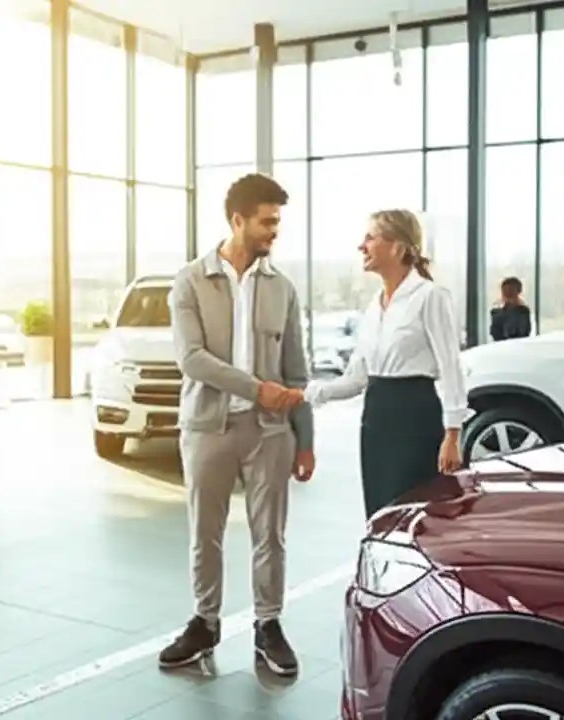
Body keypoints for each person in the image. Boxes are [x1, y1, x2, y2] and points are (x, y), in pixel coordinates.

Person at [159, 173, 315, 677]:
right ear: (237, 220)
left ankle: (269, 625)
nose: (275, 231)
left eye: (277, 221)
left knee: (271, 533)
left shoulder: (282, 288)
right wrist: (255, 388)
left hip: (271, 432)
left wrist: (305, 438)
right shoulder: (189, 282)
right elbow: (193, 360)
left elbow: (297, 371)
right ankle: (205, 623)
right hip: (208, 428)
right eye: (267, 221)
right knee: (205, 533)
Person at [304, 209, 469, 517]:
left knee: (416, 513)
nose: (361, 246)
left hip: (415, 417)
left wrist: (452, 434)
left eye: (370, 237)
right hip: (376, 419)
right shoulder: (373, 308)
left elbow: (450, 368)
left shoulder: (430, 296)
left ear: (397, 246)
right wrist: (304, 394)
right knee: (380, 512)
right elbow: (357, 377)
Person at [489, 276, 532, 341]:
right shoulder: (496, 313)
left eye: (511, 291)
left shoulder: (523, 312)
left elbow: (523, 333)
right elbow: (495, 333)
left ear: (518, 292)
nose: (508, 295)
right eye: (505, 291)